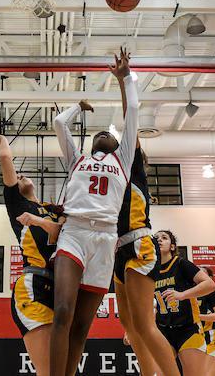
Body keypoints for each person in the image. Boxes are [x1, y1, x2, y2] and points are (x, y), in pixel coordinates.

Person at [50, 47, 139, 376]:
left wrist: (126, 78)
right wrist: (78, 106)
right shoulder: (77, 160)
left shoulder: (123, 160)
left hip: (105, 241)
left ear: (118, 146)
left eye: (110, 134)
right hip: (73, 234)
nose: (104, 132)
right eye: (98, 133)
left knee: (80, 329)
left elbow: (134, 115)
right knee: (62, 312)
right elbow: (59, 123)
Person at [112, 84, 179, 376]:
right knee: (130, 326)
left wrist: (124, 81)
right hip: (118, 250)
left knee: (145, 325)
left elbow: (131, 121)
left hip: (139, 244)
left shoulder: (133, 167)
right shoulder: (105, 180)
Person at [0, 134, 64, 375]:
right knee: (49, 371)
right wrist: (1, 140)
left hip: (58, 289)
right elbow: (5, 157)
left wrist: (43, 223)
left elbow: (62, 234)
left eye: (25, 174)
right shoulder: (18, 204)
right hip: (33, 286)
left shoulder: (51, 210)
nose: (21, 175)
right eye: (18, 175)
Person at [153, 230, 215, 375]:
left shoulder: (181, 264)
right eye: (156, 238)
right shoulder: (151, 270)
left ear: (173, 246)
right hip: (162, 329)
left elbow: (210, 285)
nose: (159, 240)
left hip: (188, 329)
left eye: (164, 238)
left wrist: (182, 295)